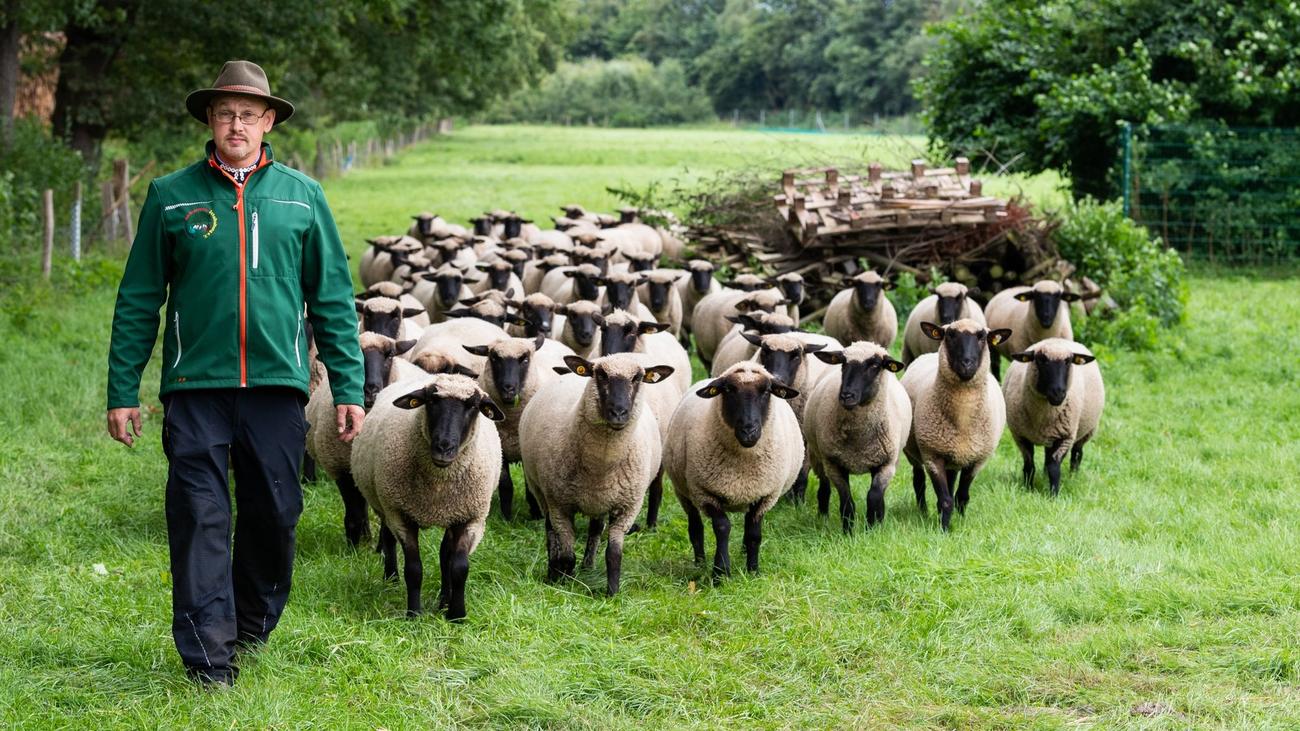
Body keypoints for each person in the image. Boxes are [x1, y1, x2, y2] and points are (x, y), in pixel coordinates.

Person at [105, 60, 365, 688]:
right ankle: (208, 657)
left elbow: (331, 295)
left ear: (269, 121)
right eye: (226, 113)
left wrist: (348, 387)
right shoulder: (173, 194)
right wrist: (123, 389)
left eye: (249, 113)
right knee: (199, 517)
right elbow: (140, 297)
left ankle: (250, 625)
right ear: (210, 121)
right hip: (195, 387)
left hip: (278, 387)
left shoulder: (302, 196)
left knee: (275, 513)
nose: (237, 124)